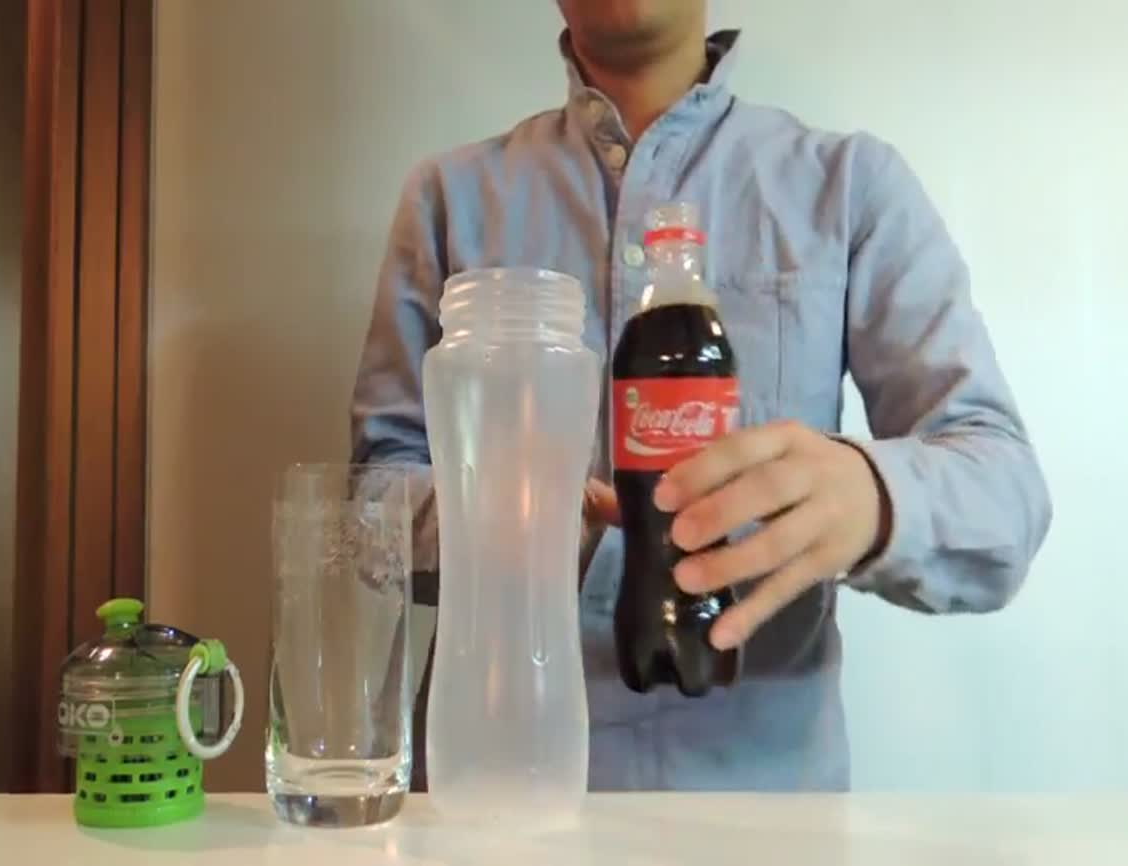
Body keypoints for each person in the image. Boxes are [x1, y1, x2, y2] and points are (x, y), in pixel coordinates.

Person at [350, 0, 1052, 792]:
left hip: (762, 807)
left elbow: (1006, 497)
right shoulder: (450, 198)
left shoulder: (850, 186)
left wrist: (871, 497)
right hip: (495, 786)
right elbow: (371, 505)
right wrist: (517, 520)